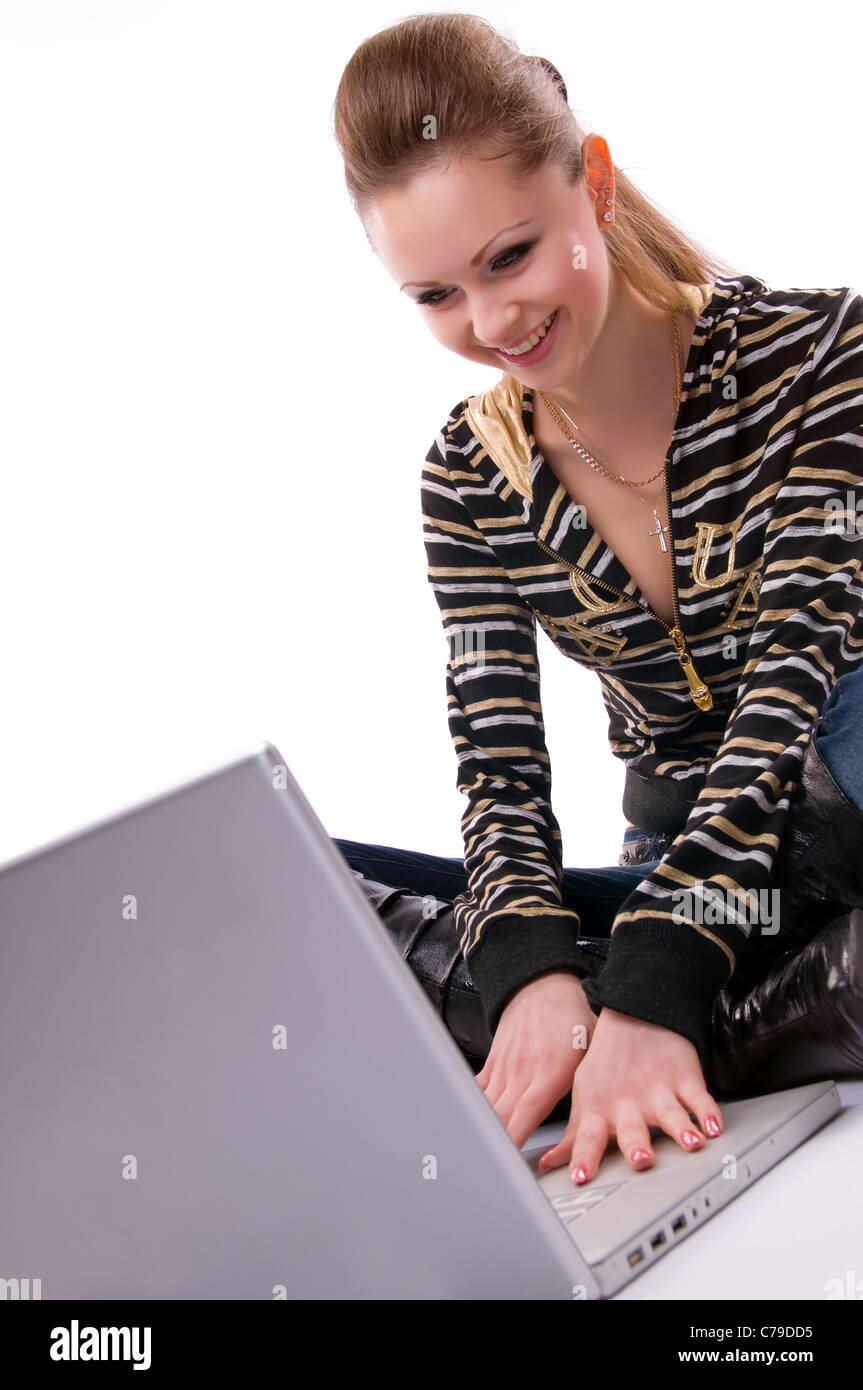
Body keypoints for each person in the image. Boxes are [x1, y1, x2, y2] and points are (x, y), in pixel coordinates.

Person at [329, 13, 863, 1186]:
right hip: (704, 866)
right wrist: (530, 970)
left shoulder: (823, 352)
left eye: (509, 255)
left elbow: (794, 667)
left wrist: (660, 970)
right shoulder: (468, 480)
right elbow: (499, 771)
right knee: (310, 890)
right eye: (434, 294)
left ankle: (661, 1026)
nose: (489, 323)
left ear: (596, 185)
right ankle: (684, 1025)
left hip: (836, 788)